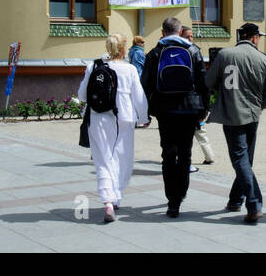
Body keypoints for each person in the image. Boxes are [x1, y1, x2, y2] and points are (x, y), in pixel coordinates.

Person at [206, 22, 266, 223]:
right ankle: (237, 199)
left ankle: (253, 203)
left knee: (240, 158)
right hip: (252, 114)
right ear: (254, 38)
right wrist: (259, 108)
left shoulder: (225, 55)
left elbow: (209, 82)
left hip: (231, 113)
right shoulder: (263, 59)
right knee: (246, 159)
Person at [76, 33, 149, 223]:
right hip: (124, 118)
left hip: (98, 118)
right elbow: (139, 97)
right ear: (124, 49)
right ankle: (115, 196)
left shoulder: (94, 66)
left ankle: (108, 200)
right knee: (123, 158)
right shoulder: (130, 69)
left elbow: (82, 95)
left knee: (103, 160)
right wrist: (143, 117)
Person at [140, 16, 208, 217]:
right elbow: (203, 83)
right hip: (189, 109)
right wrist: (203, 108)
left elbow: (145, 84)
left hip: (165, 110)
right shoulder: (194, 51)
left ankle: (172, 200)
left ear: (162, 33)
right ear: (179, 32)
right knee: (185, 152)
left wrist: (148, 110)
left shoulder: (155, 53)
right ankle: (182, 192)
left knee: (168, 153)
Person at [180, 26, 215, 166]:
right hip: (193, 101)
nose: (190, 39)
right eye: (187, 36)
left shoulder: (194, 51)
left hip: (193, 101)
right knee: (197, 132)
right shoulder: (193, 51)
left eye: (191, 36)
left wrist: (205, 106)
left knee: (200, 132)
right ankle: (206, 156)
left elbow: (203, 81)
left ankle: (209, 156)